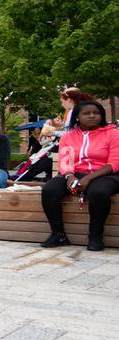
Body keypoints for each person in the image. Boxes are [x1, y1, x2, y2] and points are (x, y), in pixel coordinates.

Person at [40, 100, 119, 251]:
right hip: (75, 173)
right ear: (77, 117)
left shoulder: (114, 134)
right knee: (50, 189)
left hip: (108, 174)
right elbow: (65, 161)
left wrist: (88, 178)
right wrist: (70, 177)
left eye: (96, 113)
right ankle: (58, 235)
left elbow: (115, 163)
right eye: (87, 113)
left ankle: (95, 237)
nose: (92, 116)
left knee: (98, 191)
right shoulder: (68, 137)